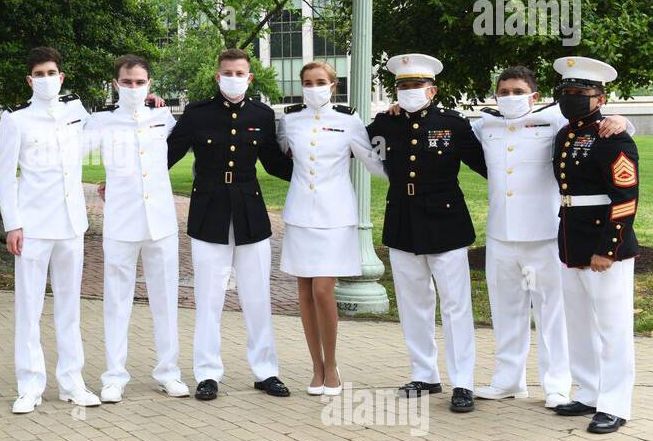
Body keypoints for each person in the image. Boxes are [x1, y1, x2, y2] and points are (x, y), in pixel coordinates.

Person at [469, 66, 631, 408]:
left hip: (546, 232)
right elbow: (446, 128)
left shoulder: (556, 120)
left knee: (554, 316)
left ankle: (557, 384)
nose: (509, 96)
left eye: (517, 90)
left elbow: (598, 127)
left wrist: (623, 120)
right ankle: (507, 379)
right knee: (505, 311)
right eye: (504, 91)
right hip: (501, 233)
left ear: (535, 96)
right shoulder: (486, 125)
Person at [166, 48, 294, 401]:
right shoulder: (196, 115)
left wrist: (319, 172)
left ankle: (266, 371)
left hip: (250, 212)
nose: (233, 78)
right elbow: (164, 156)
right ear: (217, 76)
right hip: (209, 212)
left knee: (258, 297)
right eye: (228, 72)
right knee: (208, 298)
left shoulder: (262, 115)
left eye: (240, 73)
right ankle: (207, 373)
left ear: (250, 78)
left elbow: (273, 164)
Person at [366, 53, 487, 413]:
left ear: (431, 90)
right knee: (413, 303)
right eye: (402, 86)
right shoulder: (384, 125)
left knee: (455, 305)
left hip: (446, 223)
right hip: (402, 222)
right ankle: (425, 373)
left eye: (416, 85)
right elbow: (357, 145)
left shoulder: (453, 124)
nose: (408, 91)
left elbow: (486, 165)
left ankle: (463, 381)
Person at [0, 46, 100, 414]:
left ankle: (73, 382)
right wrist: (13, 225)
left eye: (51, 72)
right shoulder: (16, 120)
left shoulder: (75, 111)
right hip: (34, 227)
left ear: (61, 77)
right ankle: (30, 385)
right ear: (30, 80)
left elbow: (104, 134)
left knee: (69, 309)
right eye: (38, 74)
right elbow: (5, 177)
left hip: (71, 225)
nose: (45, 79)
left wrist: (146, 106)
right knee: (30, 308)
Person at [84, 54, 189, 402]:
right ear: (116, 84)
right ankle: (114, 376)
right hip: (121, 220)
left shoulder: (164, 117)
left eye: (139, 82)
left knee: (165, 299)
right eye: (127, 82)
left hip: (160, 220)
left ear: (150, 84)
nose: (133, 87)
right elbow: (72, 155)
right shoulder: (101, 122)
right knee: (116, 300)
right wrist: (101, 184)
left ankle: (168, 372)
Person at [276, 61, 384, 396]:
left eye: (320, 81)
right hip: (300, 214)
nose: (313, 87)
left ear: (333, 85)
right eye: (307, 82)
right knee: (305, 292)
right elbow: (274, 158)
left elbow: (373, 162)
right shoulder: (288, 121)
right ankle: (316, 368)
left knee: (323, 290)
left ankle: (333, 365)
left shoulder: (348, 121)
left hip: (335, 216)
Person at [548, 56, 639, 435]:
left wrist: (609, 248)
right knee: (579, 321)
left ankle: (615, 403)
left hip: (604, 240)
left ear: (600, 98)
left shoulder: (613, 136)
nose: (570, 98)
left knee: (612, 324)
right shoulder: (564, 134)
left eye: (580, 93)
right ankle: (588, 391)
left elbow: (626, 196)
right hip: (571, 237)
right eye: (565, 92)